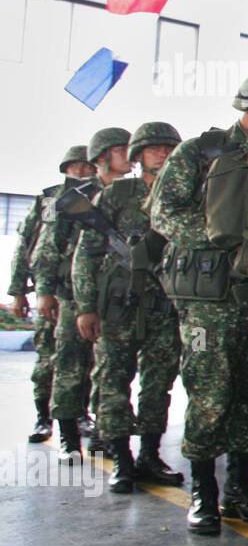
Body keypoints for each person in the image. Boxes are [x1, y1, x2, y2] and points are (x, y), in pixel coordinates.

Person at [151, 73, 248, 533]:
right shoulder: (201, 151)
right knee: (211, 393)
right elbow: (162, 211)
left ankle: (238, 487)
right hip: (210, 301)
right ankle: (204, 492)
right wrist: (220, 243)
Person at [71, 123, 184, 493]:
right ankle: (121, 458)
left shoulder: (184, 194)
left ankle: (150, 455)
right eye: (154, 149)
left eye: (169, 148)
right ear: (137, 155)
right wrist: (86, 307)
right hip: (118, 305)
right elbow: (87, 254)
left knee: (158, 384)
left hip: (164, 305)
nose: (163, 154)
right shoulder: (118, 195)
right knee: (113, 381)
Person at [33, 128, 132, 463]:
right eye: (121, 150)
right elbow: (48, 249)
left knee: (108, 369)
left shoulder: (130, 194)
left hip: (115, 297)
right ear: (102, 156)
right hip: (74, 295)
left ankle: (105, 435)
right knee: (70, 365)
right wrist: (45, 292)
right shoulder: (73, 199)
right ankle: (68, 438)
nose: (128, 154)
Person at [8, 146, 93, 444]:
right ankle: (43, 417)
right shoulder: (50, 200)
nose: (81, 171)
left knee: (86, 360)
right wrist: (20, 292)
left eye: (87, 166)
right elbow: (30, 248)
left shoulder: (101, 197)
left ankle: (81, 414)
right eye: (75, 166)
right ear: (66, 169)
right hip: (54, 291)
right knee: (49, 358)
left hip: (83, 294)